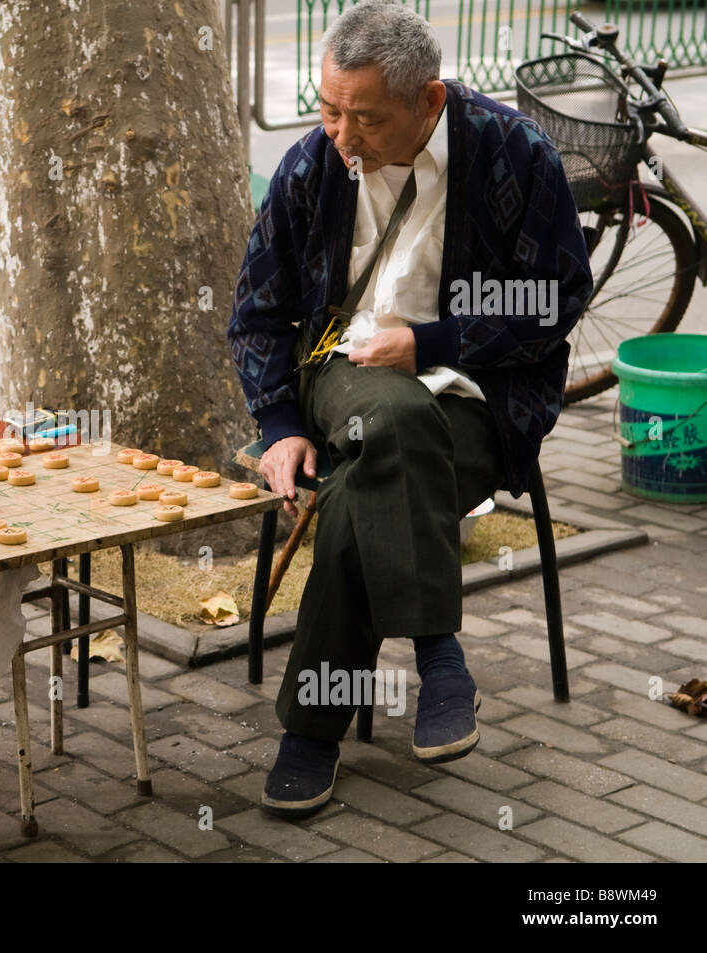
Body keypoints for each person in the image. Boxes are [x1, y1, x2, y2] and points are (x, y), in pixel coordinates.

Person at [227, 0, 592, 818]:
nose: (343, 137)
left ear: (429, 100)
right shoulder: (313, 166)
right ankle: (438, 646)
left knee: (364, 484)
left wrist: (430, 344)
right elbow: (255, 314)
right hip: (344, 374)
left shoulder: (514, 155)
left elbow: (553, 299)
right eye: (328, 109)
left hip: (480, 398)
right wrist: (281, 426)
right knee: (385, 421)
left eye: (366, 118)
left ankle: (312, 732)